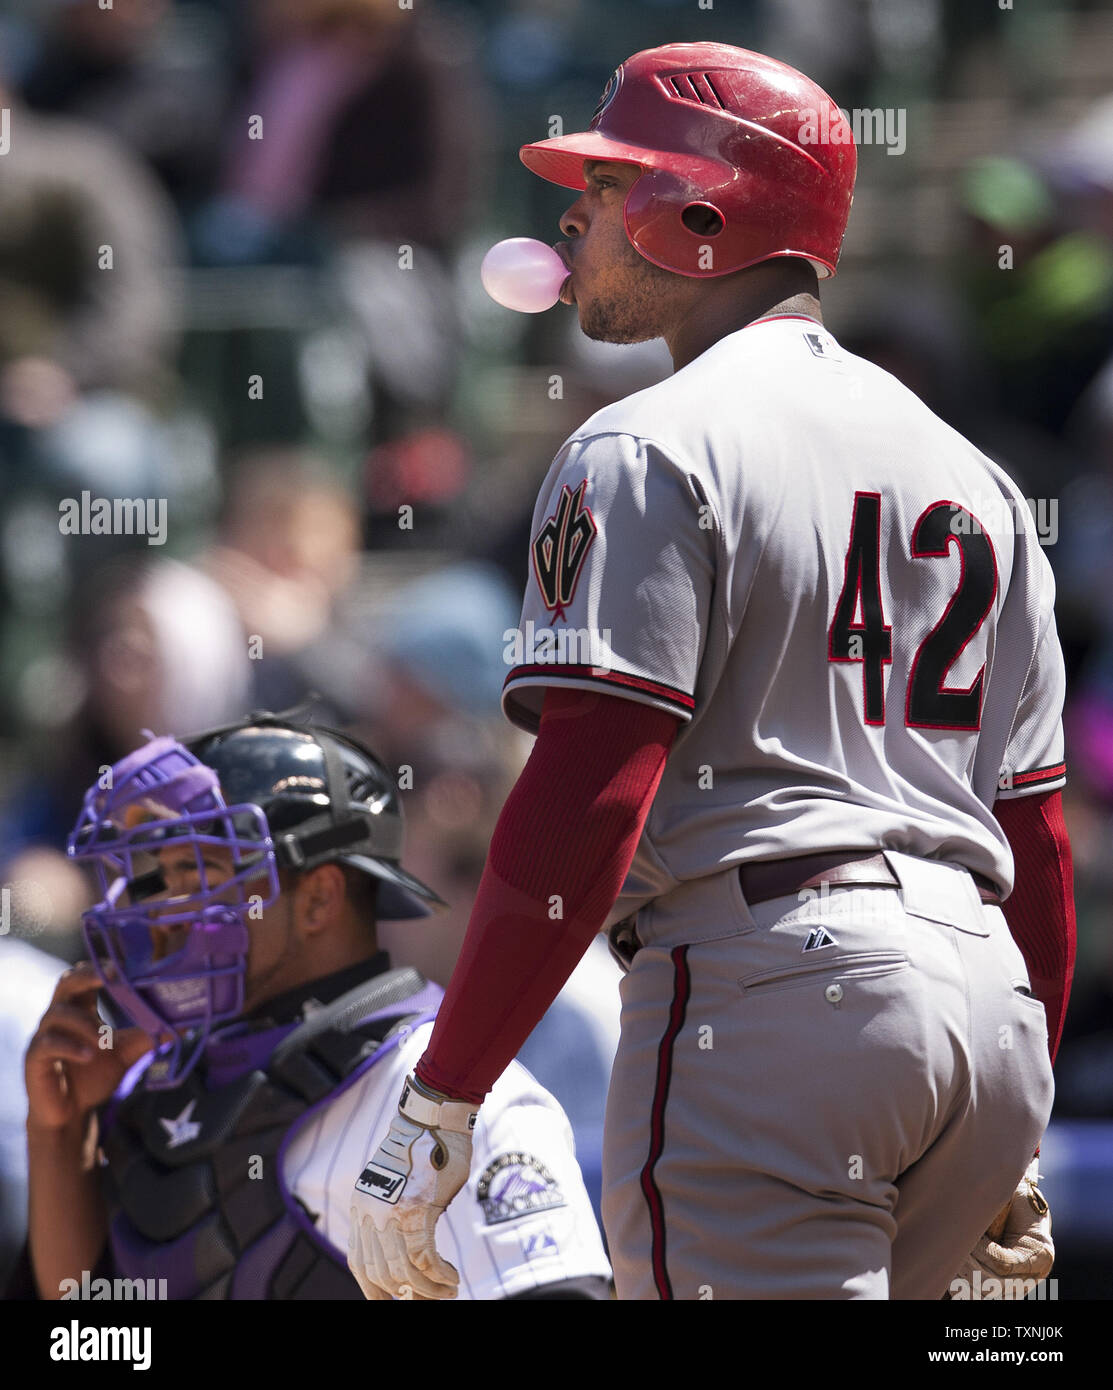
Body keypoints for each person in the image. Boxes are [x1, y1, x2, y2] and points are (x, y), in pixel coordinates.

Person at [348, 42, 1076, 1301]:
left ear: (701, 214)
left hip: (775, 995)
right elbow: (1042, 843)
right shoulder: (985, 482)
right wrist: (1017, 1113)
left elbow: (591, 789)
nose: (572, 210)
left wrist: (447, 1088)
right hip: (986, 1006)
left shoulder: (643, 441)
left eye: (610, 178)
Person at [9, 712, 610, 1301]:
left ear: (319, 898)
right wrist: (60, 1134)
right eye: (161, 877)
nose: (165, 912)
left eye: (201, 872)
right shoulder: (154, 1079)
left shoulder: (450, 1094)